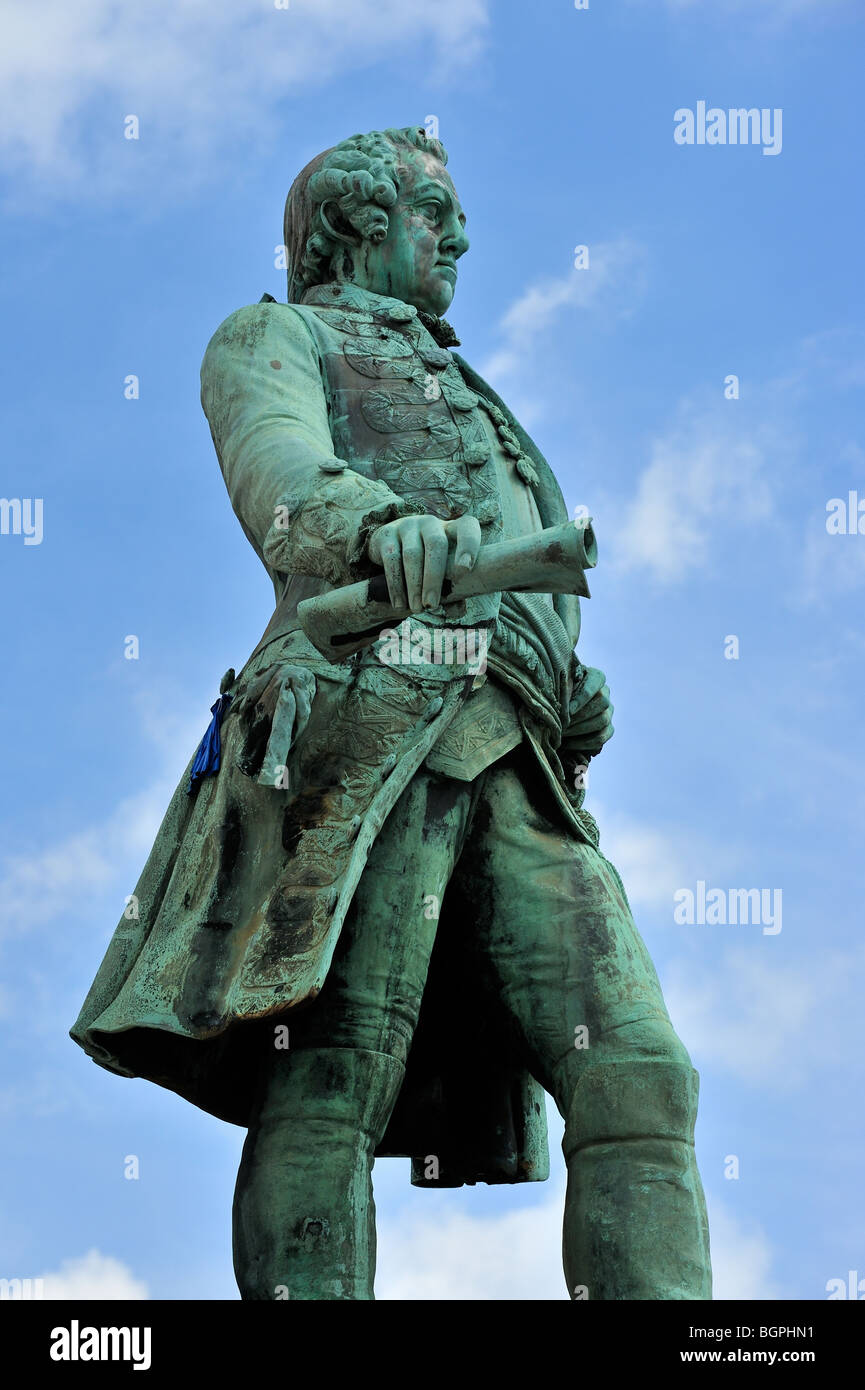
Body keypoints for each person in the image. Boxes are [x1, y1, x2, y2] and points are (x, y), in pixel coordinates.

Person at [71, 126, 712, 1301]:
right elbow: (280, 467)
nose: (459, 236)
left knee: (641, 1070)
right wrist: (375, 526)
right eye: (434, 215)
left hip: (517, 757)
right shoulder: (277, 333)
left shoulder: (482, 398)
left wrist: (565, 692)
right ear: (359, 227)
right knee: (329, 1063)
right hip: (360, 730)